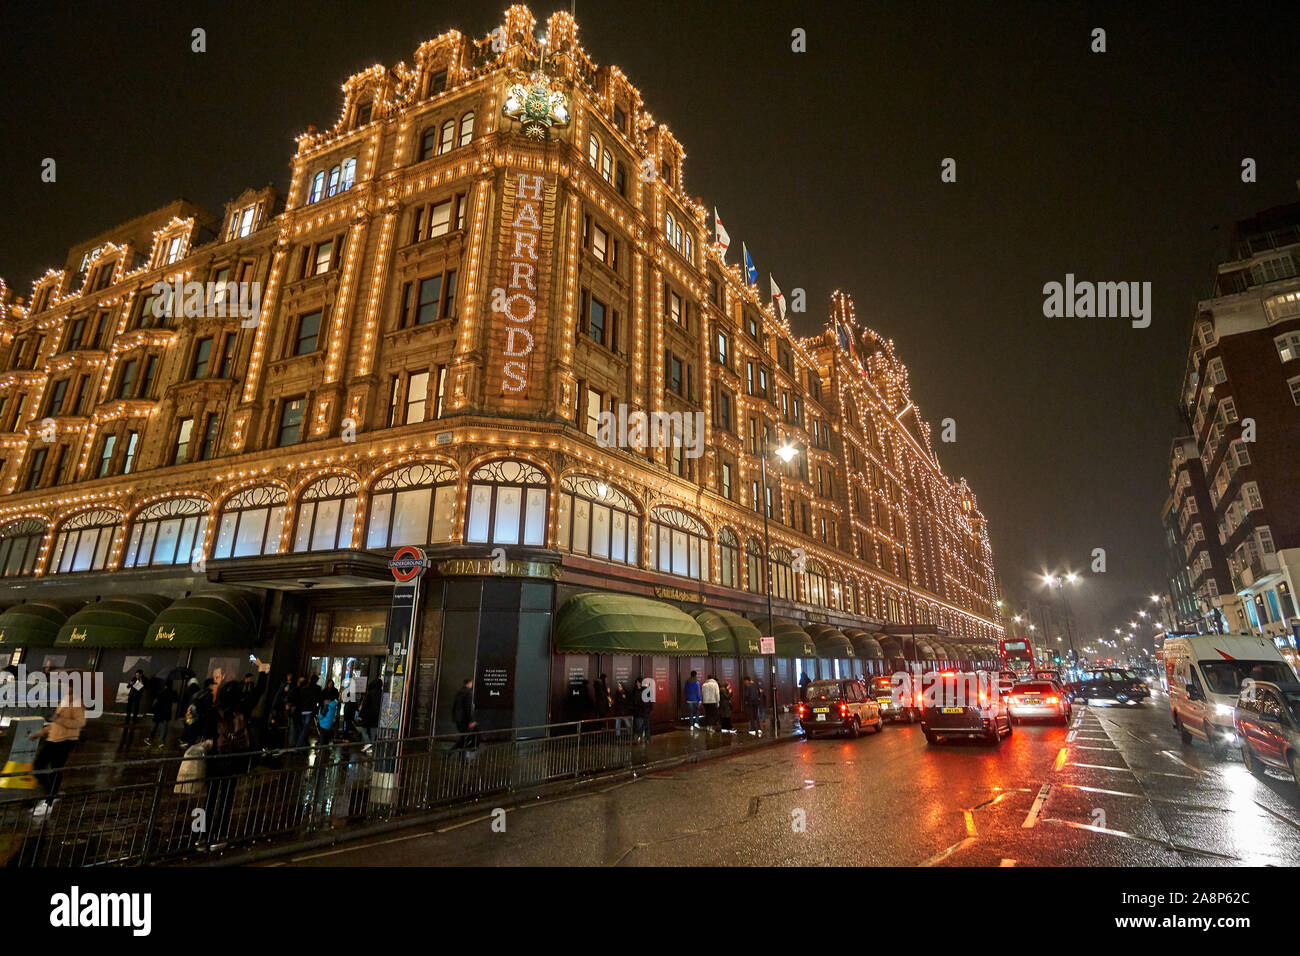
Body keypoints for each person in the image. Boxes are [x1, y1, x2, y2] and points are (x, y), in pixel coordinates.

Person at [198, 680, 253, 851]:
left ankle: (202, 836)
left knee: (210, 798)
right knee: (226, 800)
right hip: (233, 762)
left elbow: (206, 735)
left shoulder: (214, 712)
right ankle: (219, 835)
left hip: (215, 761)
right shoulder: (241, 713)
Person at [29, 687, 87, 817]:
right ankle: (51, 793)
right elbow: (55, 724)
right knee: (38, 766)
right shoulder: (65, 701)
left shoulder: (77, 703)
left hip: (66, 741)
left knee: (55, 769)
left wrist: (60, 720)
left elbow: (80, 722)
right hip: (53, 739)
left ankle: (49, 803)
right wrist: (40, 733)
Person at [146, 681, 178, 750]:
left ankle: (149, 739)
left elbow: (155, 702)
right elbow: (176, 700)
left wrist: (152, 710)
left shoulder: (161, 692)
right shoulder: (173, 693)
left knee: (154, 726)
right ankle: (161, 742)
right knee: (164, 728)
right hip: (166, 713)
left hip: (158, 712)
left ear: (165, 685)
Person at [296, 674, 322, 747]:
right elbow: (318, 700)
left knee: (304, 727)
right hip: (310, 710)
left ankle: (302, 743)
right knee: (305, 728)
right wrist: (316, 709)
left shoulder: (305, 688)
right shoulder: (317, 688)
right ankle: (299, 744)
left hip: (303, 709)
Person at [452, 678, 477, 750]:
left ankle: (461, 759)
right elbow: (468, 708)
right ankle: (448, 754)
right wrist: (471, 721)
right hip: (464, 719)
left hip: (458, 719)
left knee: (464, 738)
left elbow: (455, 706)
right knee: (464, 739)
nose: (472, 685)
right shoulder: (469, 693)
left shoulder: (458, 692)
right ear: (469, 683)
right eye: (471, 683)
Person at [357, 677, 382, 747]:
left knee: (364, 731)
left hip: (367, 716)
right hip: (376, 716)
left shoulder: (370, 693)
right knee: (373, 733)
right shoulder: (382, 693)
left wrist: (360, 715)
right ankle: (372, 747)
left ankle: (368, 745)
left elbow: (365, 705)